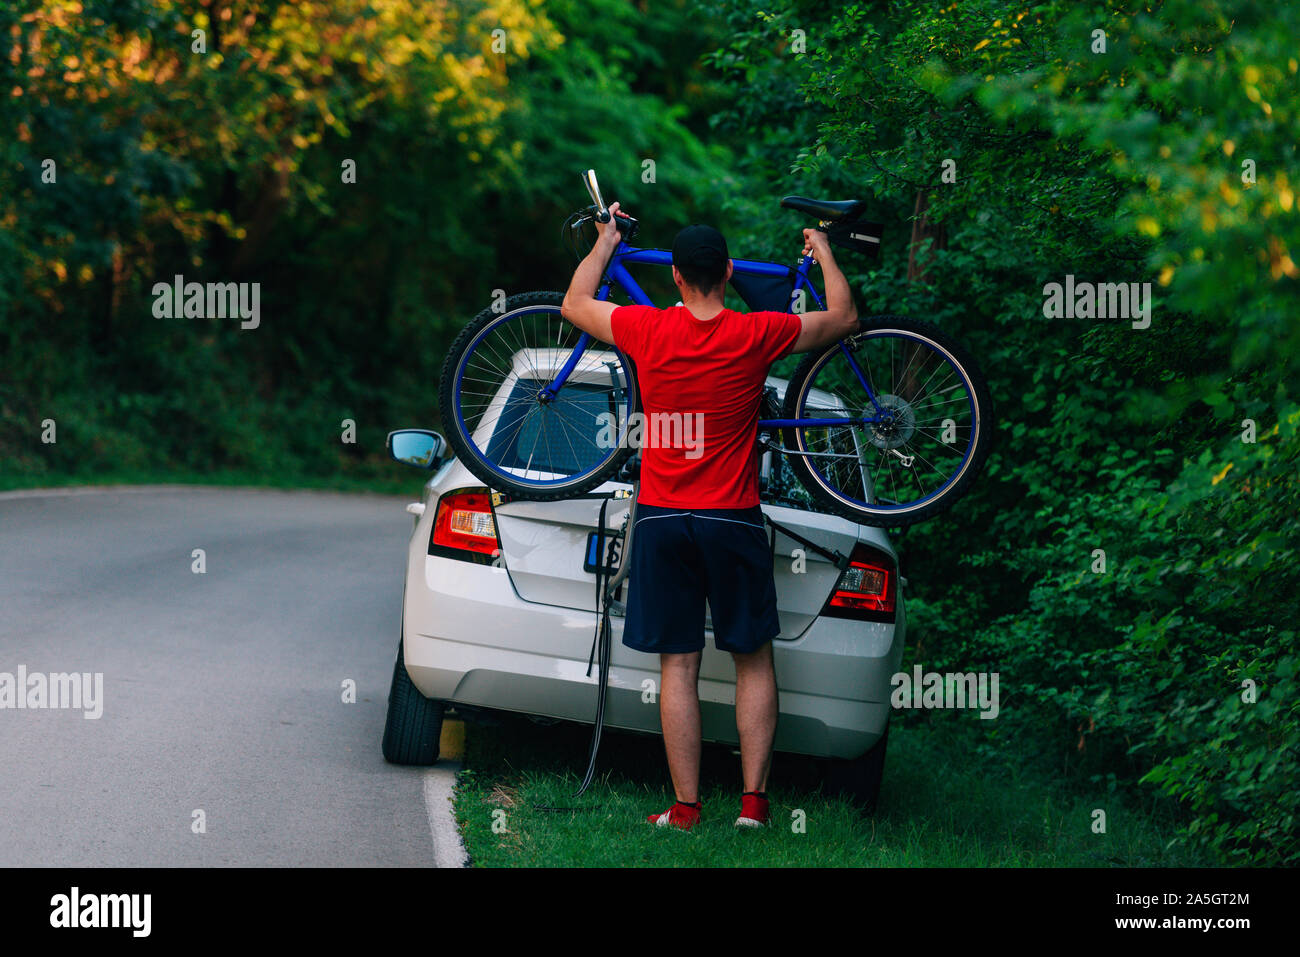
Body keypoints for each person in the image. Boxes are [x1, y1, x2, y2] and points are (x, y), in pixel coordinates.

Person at [560, 202, 858, 830]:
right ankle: (753, 806)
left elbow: (575, 303)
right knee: (752, 659)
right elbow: (844, 319)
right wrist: (825, 253)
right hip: (734, 517)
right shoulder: (758, 332)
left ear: (674, 276)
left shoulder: (646, 329)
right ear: (727, 271)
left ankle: (686, 808)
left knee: (679, 665)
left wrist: (606, 241)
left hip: (665, 518)